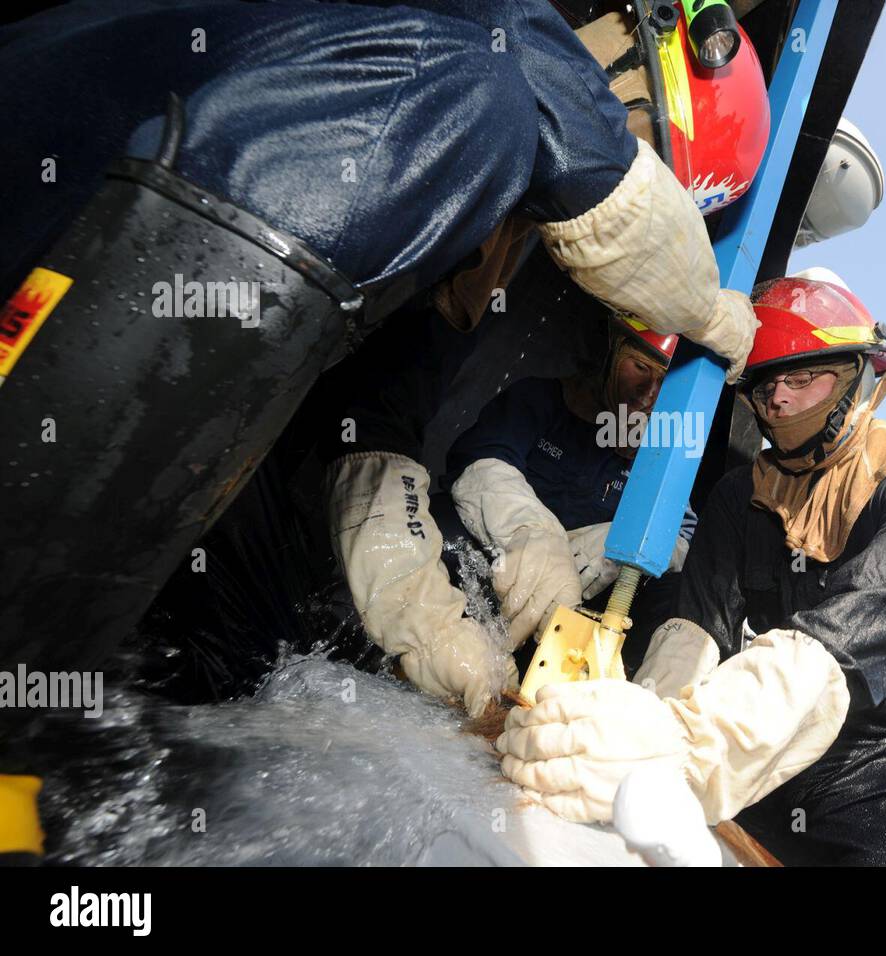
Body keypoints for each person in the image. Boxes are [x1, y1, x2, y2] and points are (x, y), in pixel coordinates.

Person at [0, 0, 762, 686]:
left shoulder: (436, 223)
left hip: (134, 328)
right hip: (65, 224)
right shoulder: (465, 63)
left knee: (242, 658)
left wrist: (432, 630)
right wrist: (705, 309)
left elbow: (373, 438)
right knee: (480, 101)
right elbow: (577, 144)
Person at [494, 275, 886, 866]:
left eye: (804, 378)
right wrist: (640, 726)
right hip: (775, 750)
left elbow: (835, 653)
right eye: (765, 386)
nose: (780, 400)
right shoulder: (739, 496)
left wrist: (681, 747)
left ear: (861, 377)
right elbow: (695, 633)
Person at [441, 316, 695, 674]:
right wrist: (533, 535)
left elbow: (682, 533)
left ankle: (607, 700)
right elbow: (481, 464)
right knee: (444, 534)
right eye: (640, 366)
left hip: (578, 603)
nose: (649, 391)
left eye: (663, 381)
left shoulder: (657, 452)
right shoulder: (541, 400)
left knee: (674, 592)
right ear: (611, 353)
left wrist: (624, 544)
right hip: (498, 570)